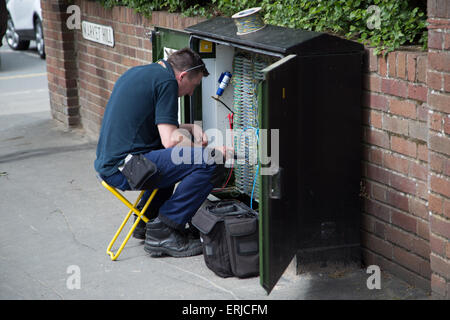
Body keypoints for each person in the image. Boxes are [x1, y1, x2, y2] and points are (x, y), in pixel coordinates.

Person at [94, 48, 225, 258]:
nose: (191, 93)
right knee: (212, 161)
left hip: (113, 164)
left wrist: (188, 127)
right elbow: (171, 140)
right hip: (126, 169)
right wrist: (211, 150)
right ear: (182, 76)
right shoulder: (167, 83)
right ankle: (165, 231)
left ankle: (147, 220)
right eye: (193, 86)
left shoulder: (142, 72)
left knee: (172, 163)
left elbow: (153, 123)